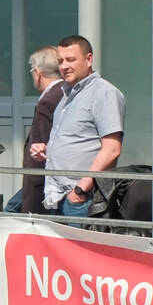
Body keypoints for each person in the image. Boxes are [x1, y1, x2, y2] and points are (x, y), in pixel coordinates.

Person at [32, 35, 125, 219]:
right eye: (60, 61)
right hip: (57, 196)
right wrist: (47, 149)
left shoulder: (104, 93)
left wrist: (81, 189)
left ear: (89, 59)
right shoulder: (67, 94)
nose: (64, 66)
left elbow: (112, 150)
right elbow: (77, 140)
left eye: (71, 60)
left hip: (83, 199)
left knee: (82, 248)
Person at [7, 46, 62, 213]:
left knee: (12, 211)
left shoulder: (48, 100)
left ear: (37, 73)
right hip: (51, 182)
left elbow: (42, 141)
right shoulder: (65, 93)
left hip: (43, 183)